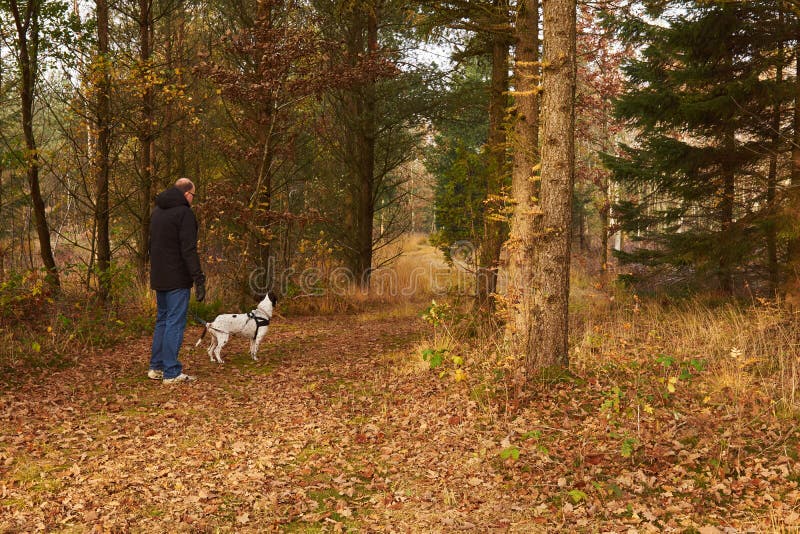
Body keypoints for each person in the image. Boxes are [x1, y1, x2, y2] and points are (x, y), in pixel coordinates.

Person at [148, 178, 206, 384]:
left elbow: (151, 246)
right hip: (177, 278)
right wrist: (198, 278)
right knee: (175, 322)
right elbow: (188, 250)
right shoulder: (185, 214)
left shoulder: (156, 212)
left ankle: (156, 367)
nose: (193, 200)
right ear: (186, 194)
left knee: (162, 321)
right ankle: (171, 371)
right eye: (193, 195)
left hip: (159, 276)